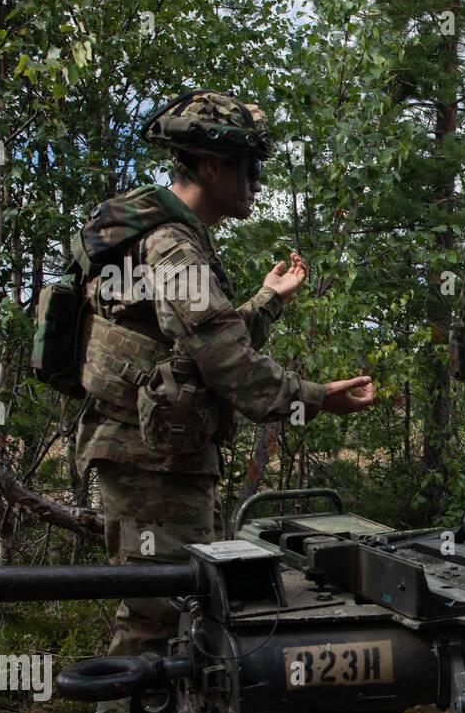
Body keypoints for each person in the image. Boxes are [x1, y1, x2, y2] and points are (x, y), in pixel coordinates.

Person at [74, 89, 377, 656]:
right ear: (213, 166)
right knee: (161, 617)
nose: (256, 182)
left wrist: (269, 298)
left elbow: (203, 344)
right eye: (249, 167)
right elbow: (231, 367)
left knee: (183, 611)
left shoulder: (174, 241)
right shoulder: (173, 247)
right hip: (150, 465)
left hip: (161, 460)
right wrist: (315, 398)